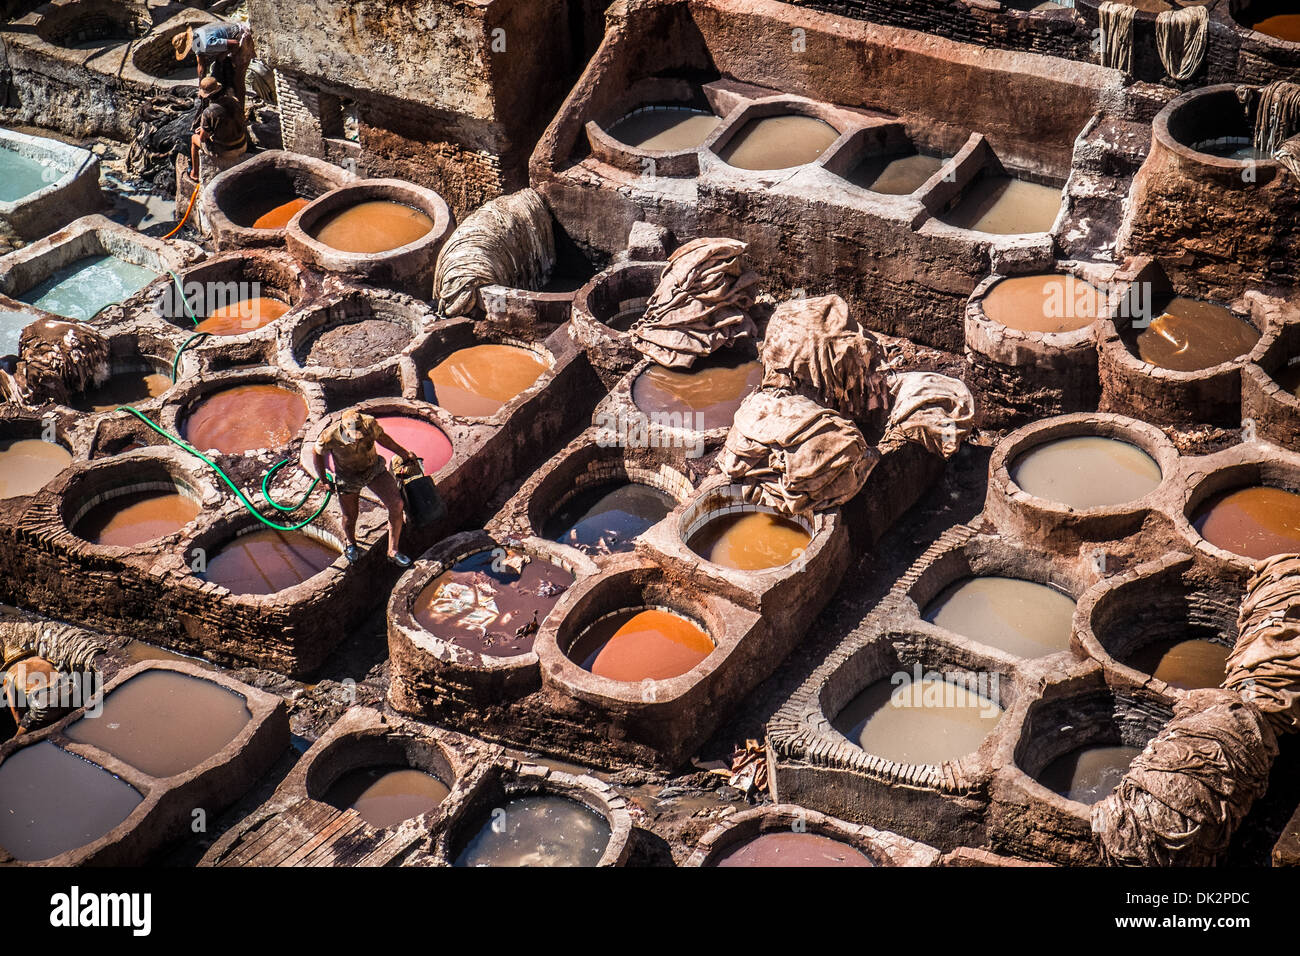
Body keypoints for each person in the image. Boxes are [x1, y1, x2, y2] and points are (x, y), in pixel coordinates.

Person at [310, 409, 420, 568]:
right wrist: (323, 479)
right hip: (348, 477)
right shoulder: (329, 436)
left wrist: (404, 454)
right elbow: (317, 453)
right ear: (344, 429)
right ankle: (352, 544)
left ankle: (393, 551)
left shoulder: (369, 424)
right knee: (349, 516)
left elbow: (384, 440)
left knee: (397, 504)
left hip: (374, 469)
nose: (356, 440)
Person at [171, 21, 256, 110]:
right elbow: (201, 65)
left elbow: (235, 44)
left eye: (188, 51)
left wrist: (222, 57)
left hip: (240, 35)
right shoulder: (195, 37)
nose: (189, 53)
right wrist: (201, 87)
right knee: (221, 70)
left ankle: (240, 110)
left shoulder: (207, 44)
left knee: (238, 78)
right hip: (228, 37)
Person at [188, 77, 248, 183]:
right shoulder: (234, 101)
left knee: (194, 138)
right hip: (242, 145)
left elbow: (202, 138)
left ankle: (194, 172)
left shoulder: (208, 112)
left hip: (226, 151)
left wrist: (203, 130)